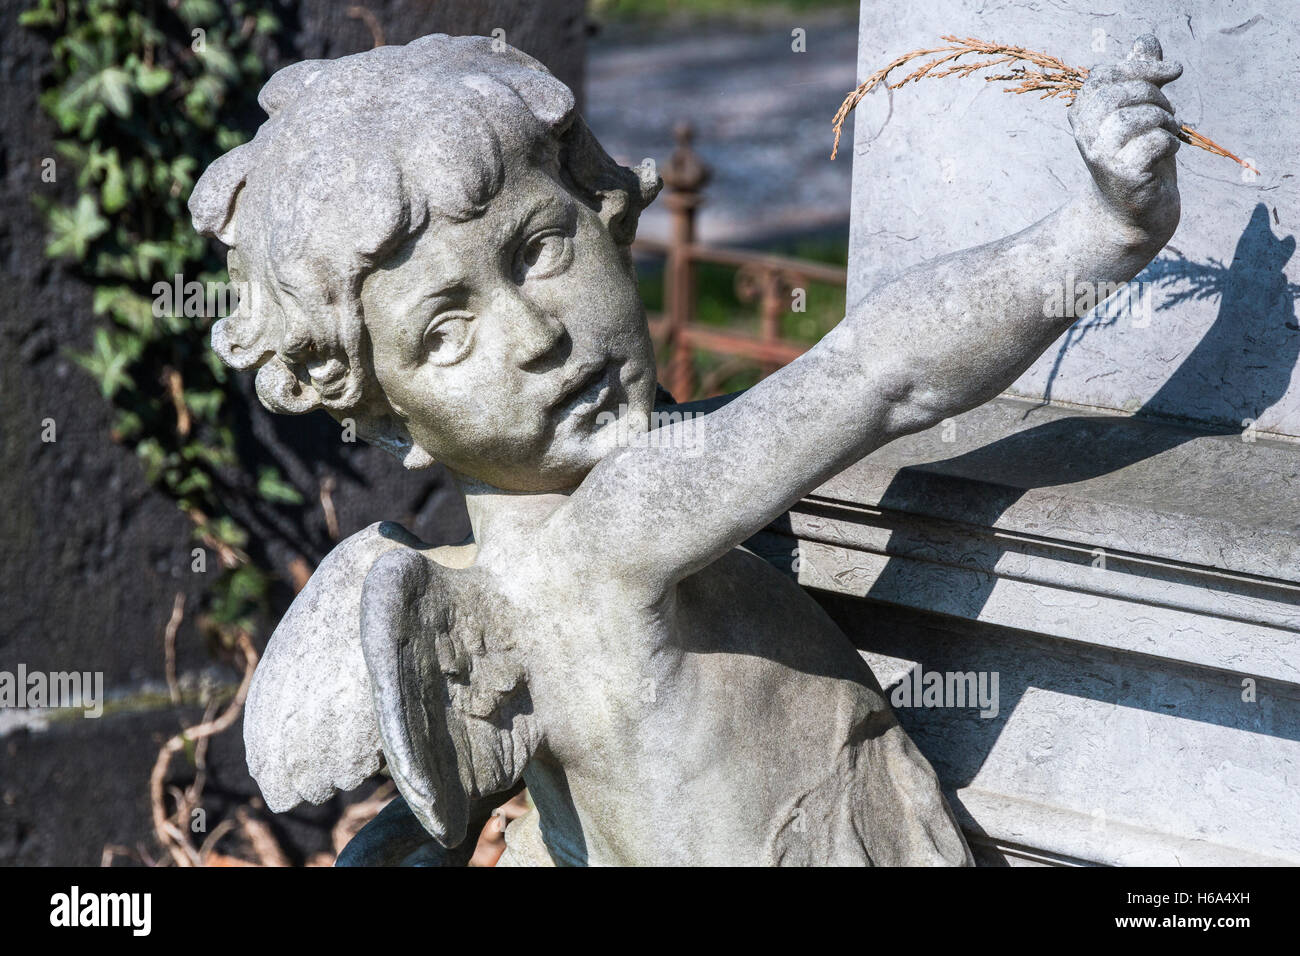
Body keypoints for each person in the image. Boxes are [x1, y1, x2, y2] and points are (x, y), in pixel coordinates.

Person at [190, 32, 1183, 865]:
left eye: (540, 249)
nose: (536, 336)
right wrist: (1095, 236)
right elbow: (886, 371)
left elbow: (425, 831)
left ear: (607, 215)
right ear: (386, 409)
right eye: (445, 332)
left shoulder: (506, 588)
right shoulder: (623, 526)